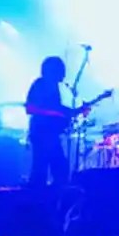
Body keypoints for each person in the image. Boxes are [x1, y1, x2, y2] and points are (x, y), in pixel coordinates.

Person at [25, 57, 78, 189]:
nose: (64, 74)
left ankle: (50, 201)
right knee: (45, 169)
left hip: (49, 134)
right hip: (41, 132)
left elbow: (56, 107)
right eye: (61, 70)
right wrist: (58, 114)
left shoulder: (53, 87)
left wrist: (72, 112)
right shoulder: (40, 85)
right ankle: (40, 202)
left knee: (54, 169)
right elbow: (30, 108)